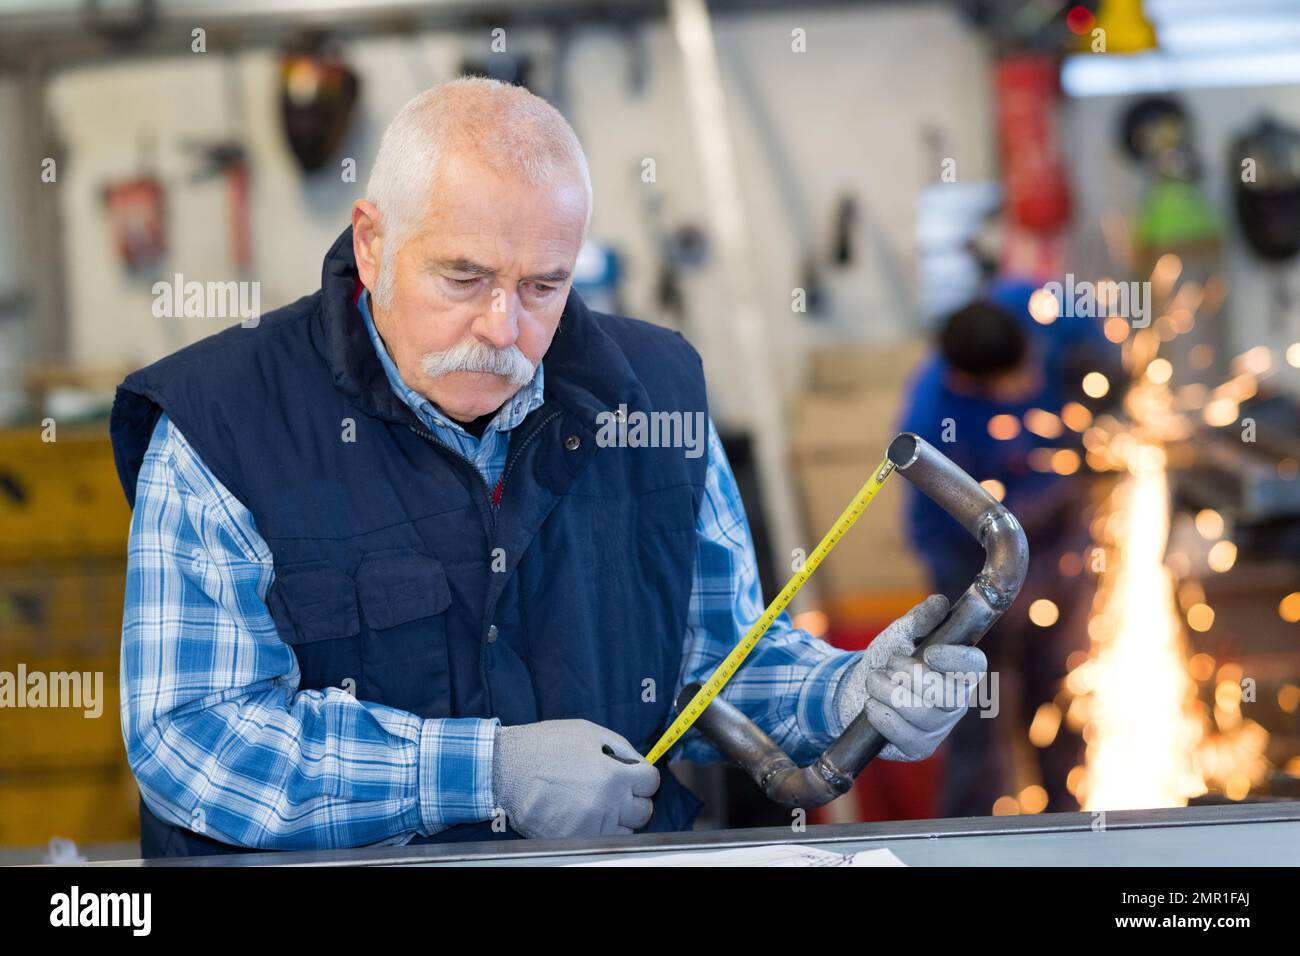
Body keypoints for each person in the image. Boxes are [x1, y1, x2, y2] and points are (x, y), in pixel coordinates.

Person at [111, 77, 985, 857]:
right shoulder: (224, 422)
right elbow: (195, 740)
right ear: (372, 244)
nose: (503, 328)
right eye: (464, 278)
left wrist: (848, 694)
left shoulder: (655, 395)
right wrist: (487, 774)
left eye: (543, 286)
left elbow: (711, 661)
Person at [897, 278, 1115, 816]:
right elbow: (988, 521)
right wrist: (1068, 483)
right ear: (968, 381)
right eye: (1012, 382)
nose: (1028, 383)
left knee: (1062, 687)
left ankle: (1074, 822)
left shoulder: (1038, 309)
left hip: (1055, 547)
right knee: (982, 710)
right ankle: (972, 834)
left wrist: (1108, 378)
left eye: (1029, 365)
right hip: (967, 562)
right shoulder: (934, 426)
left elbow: (1094, 323)